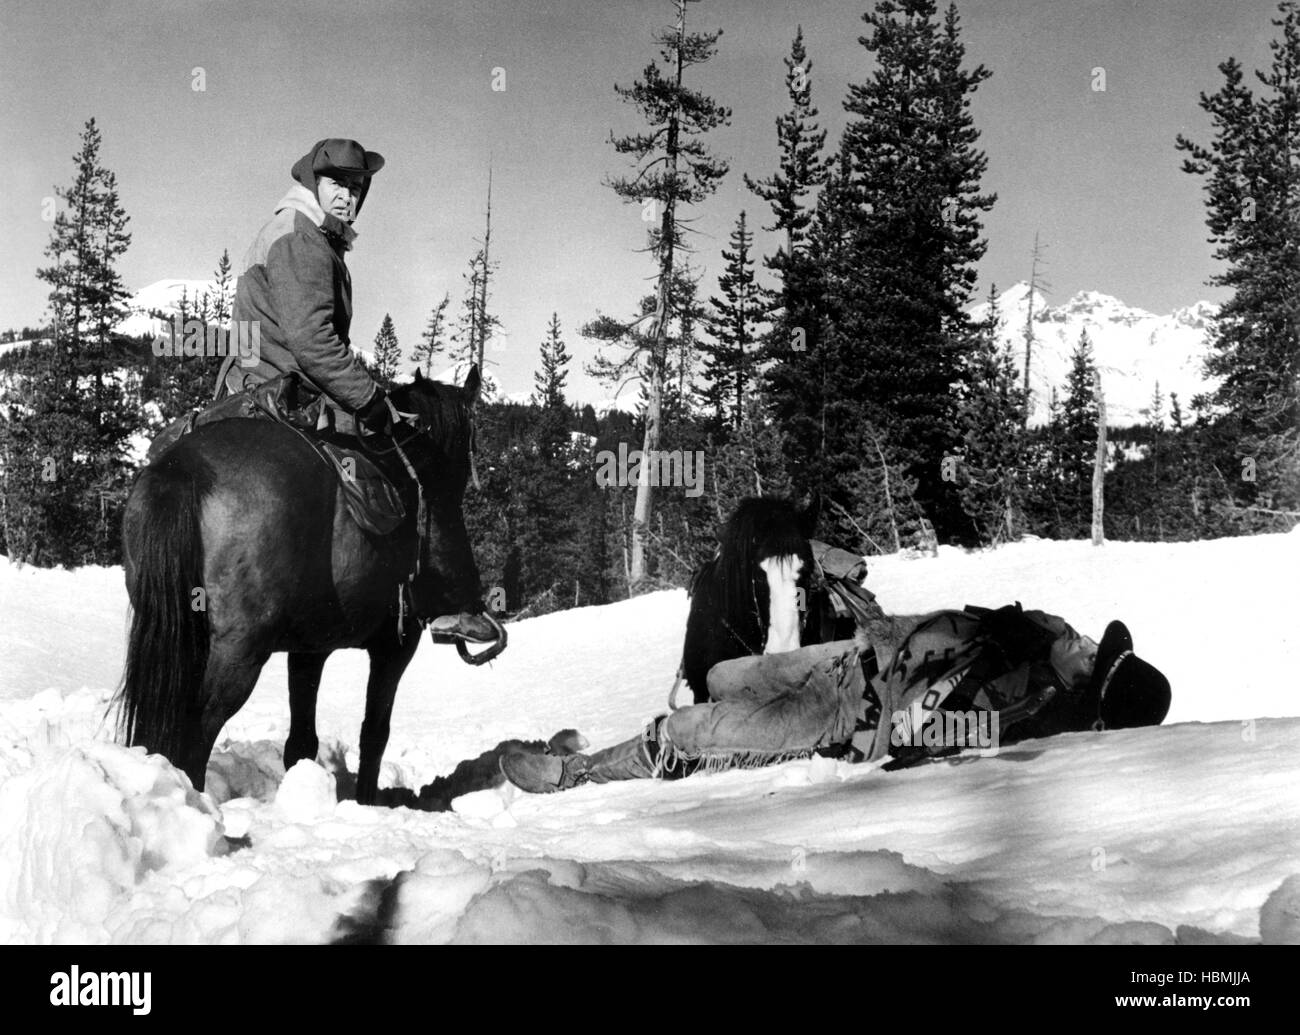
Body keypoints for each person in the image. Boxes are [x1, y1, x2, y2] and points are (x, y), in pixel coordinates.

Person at [217, 139, 493, 642]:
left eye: (357, 187)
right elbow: (312, 342)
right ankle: (451, 607)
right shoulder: (302, 238)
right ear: (312, 183)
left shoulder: (296, 230)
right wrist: (373, 402)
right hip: (284, 392)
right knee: (424, 469)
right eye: (337, 184)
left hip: (256, 383)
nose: (348, 196)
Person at [499, 604, 1171, 793]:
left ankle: (572, 773)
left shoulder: (1029, 710)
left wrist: (966, 679)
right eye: (1090, 639)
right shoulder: (1043, 631)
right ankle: (641, 753)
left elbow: (925, 735)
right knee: (727, 676)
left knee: (695, 728)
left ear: (1088, 688)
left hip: (855, 712)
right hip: (855, 655)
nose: (1082, 639)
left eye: (1093, 653)